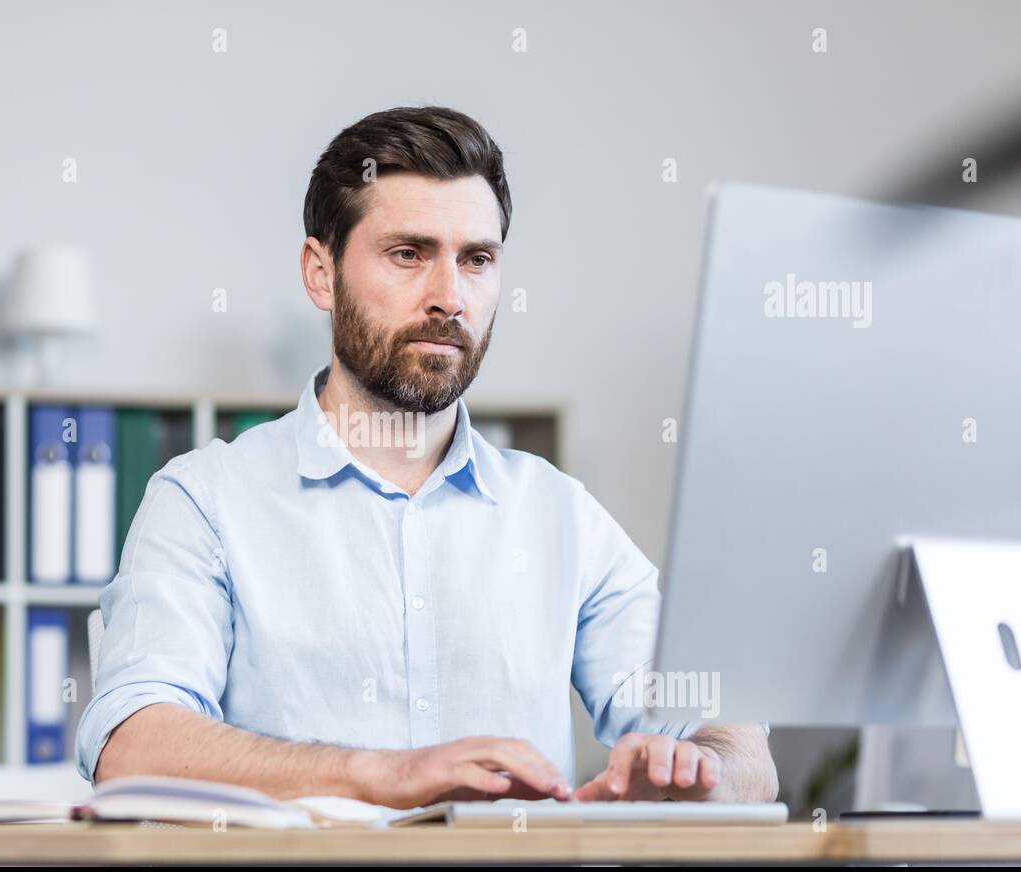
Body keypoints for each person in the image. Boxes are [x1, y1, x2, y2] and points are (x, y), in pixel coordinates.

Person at [76, 105, 778, 809]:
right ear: (320, 274)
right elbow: (134, 745)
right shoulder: (205, 502)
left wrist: (697, 772)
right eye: (408, 253)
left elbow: (736, 744)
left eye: (477, 260)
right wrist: (385, 775)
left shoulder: (559, 514)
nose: (450, 298)